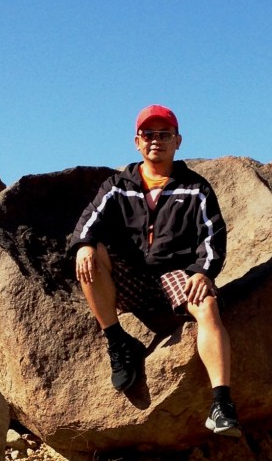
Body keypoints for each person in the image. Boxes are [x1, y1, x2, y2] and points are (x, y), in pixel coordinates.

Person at [68, 104, 241, 437]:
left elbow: (212, 237)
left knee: (207, 304)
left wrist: (203, 272)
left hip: (174, 275)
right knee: (88, 254)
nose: (155, 141)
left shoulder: (196, 188)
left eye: (164, 134)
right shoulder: (117, 185)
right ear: (137, 142)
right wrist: (84, 245)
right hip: (131, 276)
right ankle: (118, 342)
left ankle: (221, 404)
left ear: (177, 141)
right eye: (148, 134)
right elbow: (87, 225)